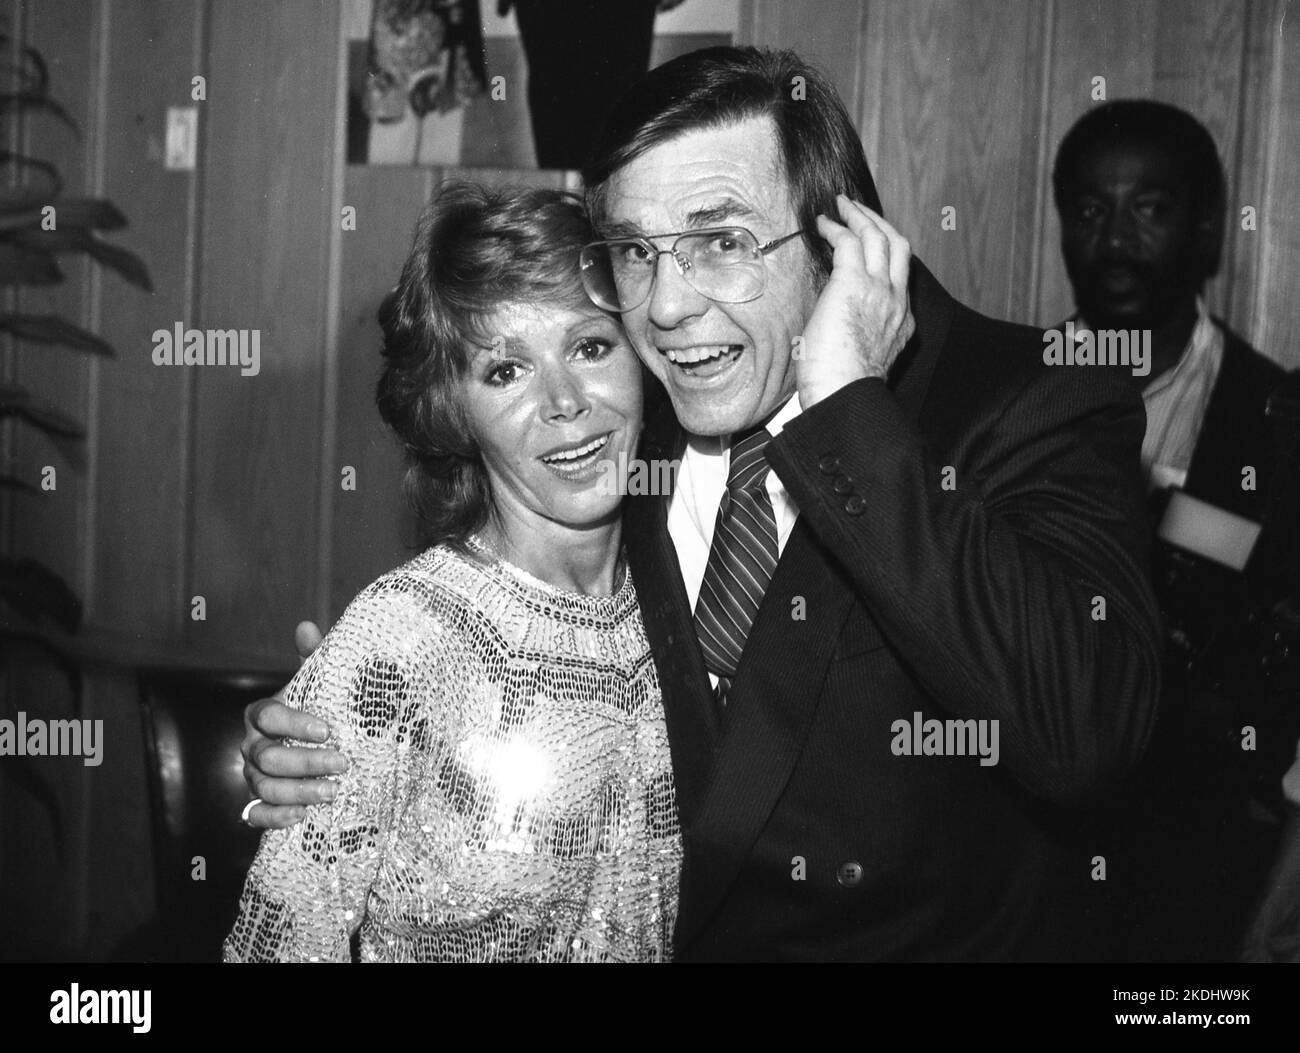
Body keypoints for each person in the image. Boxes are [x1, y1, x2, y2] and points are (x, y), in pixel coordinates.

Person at [243, 47, 1163, 961]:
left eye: (721, 241)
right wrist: (352, 743)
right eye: (638, 253)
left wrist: (849, 409)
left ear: (839, 239)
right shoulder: (629, 421)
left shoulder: (1029, 395)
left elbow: (1084, 736)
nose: (669, 306)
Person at [224, 183, 682, 962]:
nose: (564, 402)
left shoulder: (697, 602)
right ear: (452, 408)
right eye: (505, 371)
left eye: (590, 346)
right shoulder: (398, 641)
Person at [1052, 99, 1292, 961]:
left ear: (1204, 230)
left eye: (1149, 209)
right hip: (1031, 869)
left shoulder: (1275, 422)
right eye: (1089, 210)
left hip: (1207, 877)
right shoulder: (1001, 404)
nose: (1114, 239)